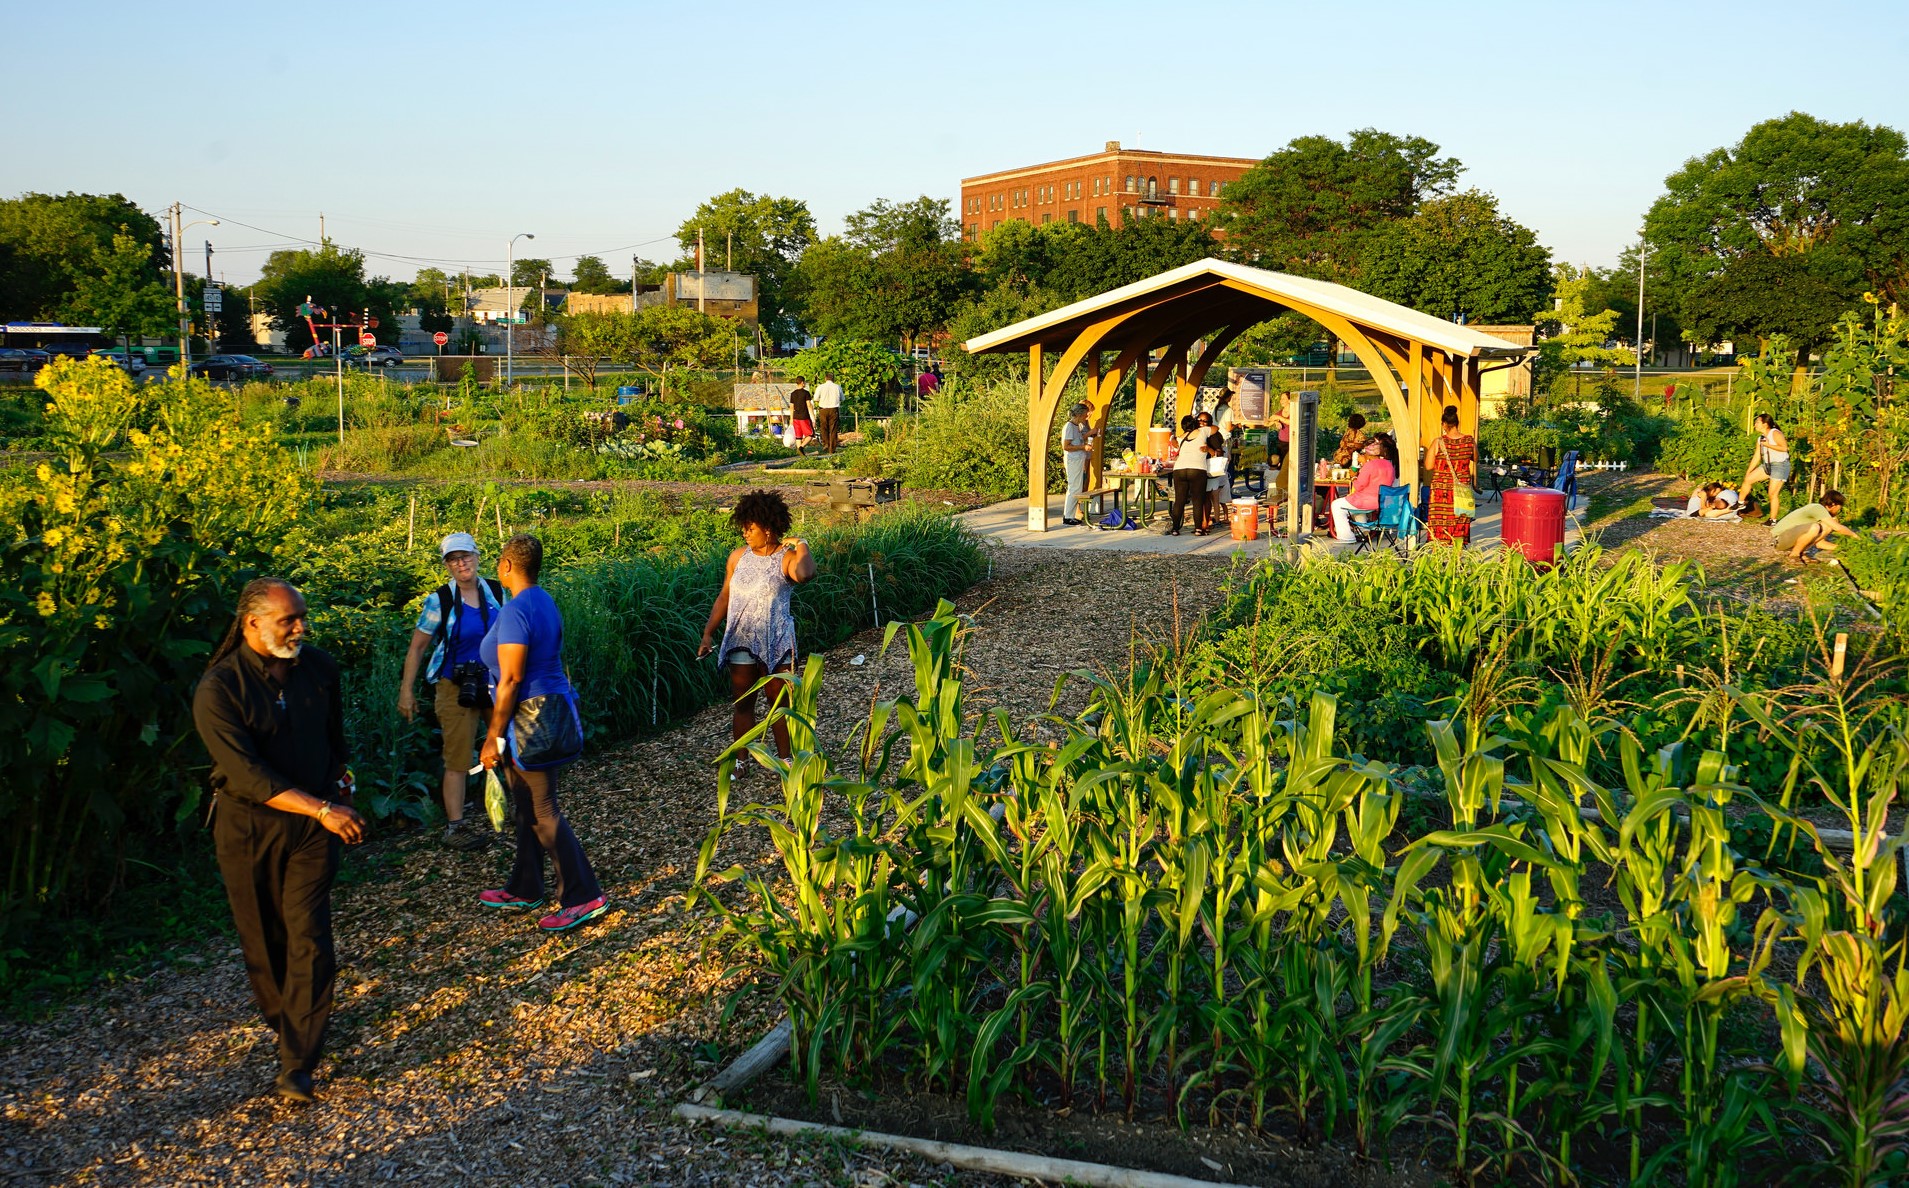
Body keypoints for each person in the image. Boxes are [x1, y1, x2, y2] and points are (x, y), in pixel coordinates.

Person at [194, 578, 366, 1104]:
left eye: (302, 616)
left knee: (309, 933)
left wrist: (340, 781)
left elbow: (335, 737)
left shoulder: (318, 668)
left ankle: (298, 1061)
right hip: (249, 827)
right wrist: (322, 807)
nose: (300, 627)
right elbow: (246, 775)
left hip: (316, 827)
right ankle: (287, 1019)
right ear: (252, 624)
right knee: (265, 940)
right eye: (287, 619)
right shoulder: (219, 689)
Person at [477, 534, 608, 933]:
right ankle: (526, 885)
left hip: (528, 719)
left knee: (543, 809)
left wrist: (493, 735)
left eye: (499, 563)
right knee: (524, 805)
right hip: (548, 711)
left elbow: (512, 677)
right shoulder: (544, 601)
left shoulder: (518, 609)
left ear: (507, 567)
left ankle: (584, 894)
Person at [398, 532, 506, 852]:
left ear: (477, 556)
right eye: (453, 559)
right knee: (458, 758)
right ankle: (455, 827)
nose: (461, 563)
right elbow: (417, 649)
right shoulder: (440, 600)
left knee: (507, 744)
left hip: (494, 680)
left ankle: (520, 809)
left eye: (466, 556)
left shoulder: (498, 592)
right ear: (447, 565)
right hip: (454, 685)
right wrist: (406, 691)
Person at [699, 490, 817, 759]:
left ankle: (786, 760)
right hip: (740, 639)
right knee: (742, 704)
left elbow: (807, 573)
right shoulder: (738, 557)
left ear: (768, 528)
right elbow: (724, 596)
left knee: (779, 705)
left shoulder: (786, 558)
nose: (745, 533)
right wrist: (708, 633)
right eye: (743, 527)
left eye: (750, 528)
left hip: (776, 641)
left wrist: (802, 543)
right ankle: (742, 760)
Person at [1332, 434, 1397, 541]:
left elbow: (1359, 486)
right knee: (1356, 507)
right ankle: (1363, 530)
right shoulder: (1388, 464)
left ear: (1367, 452)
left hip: (1366, 501)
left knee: (1337, 505)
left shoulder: (1370, 465)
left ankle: (1346, 537)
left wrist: (1354, 477)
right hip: (1381, 501)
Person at [1426, 406, 1475, 545]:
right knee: (1460, 519)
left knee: (1439, 523)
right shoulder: (1469, 440)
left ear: (1444, 424)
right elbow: (1475, 458)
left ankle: (1437, 557)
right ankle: (1457, 557)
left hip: (1441, 491)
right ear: (1457, 422)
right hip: (1463, 489)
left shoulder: (1439, 442)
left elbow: (1429, 466)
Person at [1772, 490, 1860, 563]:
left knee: (1827, 527)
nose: (1839, 510)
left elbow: (1819, 543)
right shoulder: (1818, 508)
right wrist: (1855, 535)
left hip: (1787, 540)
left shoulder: (1821, 515)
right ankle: (1794, 555)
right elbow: (1838, 528)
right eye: (1839, 507)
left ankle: (1800, 553)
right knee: (1815, 527)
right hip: (1780, 539)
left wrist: (1844, 549)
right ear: (1833, 504)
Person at [1741, 413, 1791, 525]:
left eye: (1757, 422)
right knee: (1748, 479)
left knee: (1772, 494)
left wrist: (1768, 445)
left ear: (1765, 424)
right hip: (1768, 465)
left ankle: (1772, 520)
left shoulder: (1775, 433)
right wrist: (1748, 471)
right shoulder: (1760, 438)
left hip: (1780, 465)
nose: (1755, 425)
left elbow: (1784, 448)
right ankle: (1740, 503)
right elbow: (1757, 456)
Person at [1168, 414, 1207, 536]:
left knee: (1179, 500)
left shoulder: (1180, 438)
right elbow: (1216, 428)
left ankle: (1175, 529)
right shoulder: (1203, 431)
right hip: (1197, 469)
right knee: (1197, 500)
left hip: (1179, 469)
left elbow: (1174, 444)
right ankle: (1198, 529)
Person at [1060, 402, 1097, 526]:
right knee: (1074, 488)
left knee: (1077, 487)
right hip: (1073, 460)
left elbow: (1079, 438)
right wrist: (1083, 447)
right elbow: (1066, 446)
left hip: (1078, 459)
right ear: (1079, 415)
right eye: (1085, 415)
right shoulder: (1070, 426)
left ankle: (1070, 515)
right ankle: (1068, 516)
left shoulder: (1077, 426)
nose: (1086, 418)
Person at [1204, 426, 1230, 531]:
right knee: (1219, 501)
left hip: (1212, 476)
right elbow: (1229, 460)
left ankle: (1210, 519)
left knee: (1211, 499)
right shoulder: (1225, 449)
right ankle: (1220, 518)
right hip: (1222, 476)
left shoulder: (1212, 451)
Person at [813, 373, 844, 454]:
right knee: (833, 429)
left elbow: (815, 398)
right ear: (833, 379)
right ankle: (832, 449)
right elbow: (842, 398)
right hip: (834, 409)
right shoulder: (837, 387)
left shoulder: (820, 387)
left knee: (824, 427)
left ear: (825, 378)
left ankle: (826, 443)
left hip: (823, 409)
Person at [788, 380, 813, 454]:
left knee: (798, 436)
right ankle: (801, 447)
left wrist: (791, 418)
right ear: (802, 382)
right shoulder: (806, 393)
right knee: (810, 435)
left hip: (795, 417)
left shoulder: (793, 394)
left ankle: (800, 454)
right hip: (804, 416)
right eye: (804, 382)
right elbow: (809, 405)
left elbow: (791, 407)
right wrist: (812, 416)